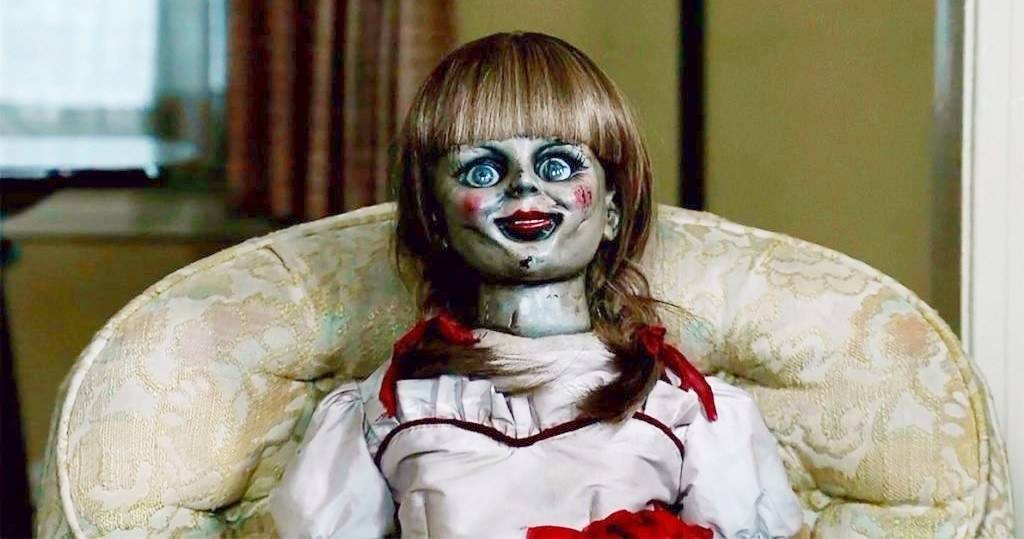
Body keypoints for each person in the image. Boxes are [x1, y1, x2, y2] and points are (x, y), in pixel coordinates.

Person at [269, 32, 803, 539]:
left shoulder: (684, 411)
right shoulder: (390, 407)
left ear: (613, 208)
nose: (524, 185)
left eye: (559, 165)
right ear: (434, 219)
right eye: (482, 172)